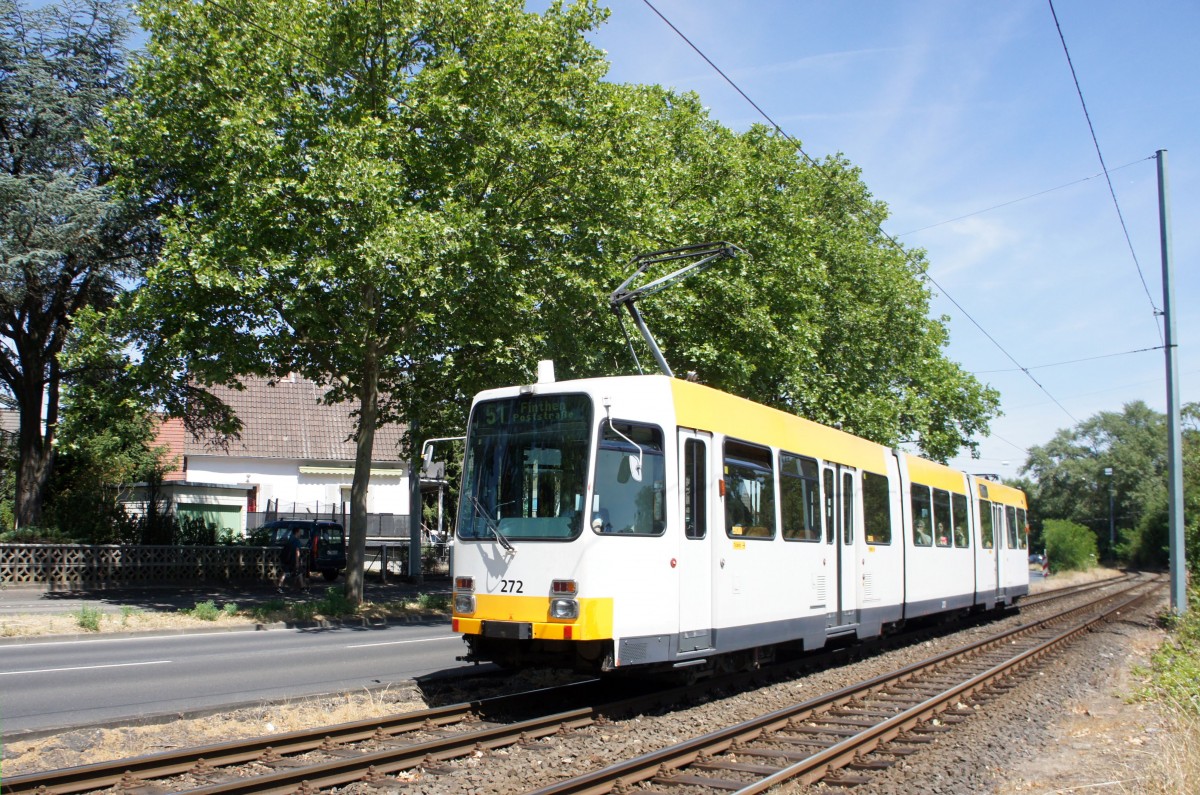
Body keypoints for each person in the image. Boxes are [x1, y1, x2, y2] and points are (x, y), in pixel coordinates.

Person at [278, 526, 308, 592]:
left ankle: (279, 587)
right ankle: (302, 587)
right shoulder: (296, 541)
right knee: (299, 572)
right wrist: (297, 562)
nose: (301, 533)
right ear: (296, 532)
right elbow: (297, 552)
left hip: (286, 559)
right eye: (300, 532)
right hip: (293, 560)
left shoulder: (290, 539)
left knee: (285, 573)